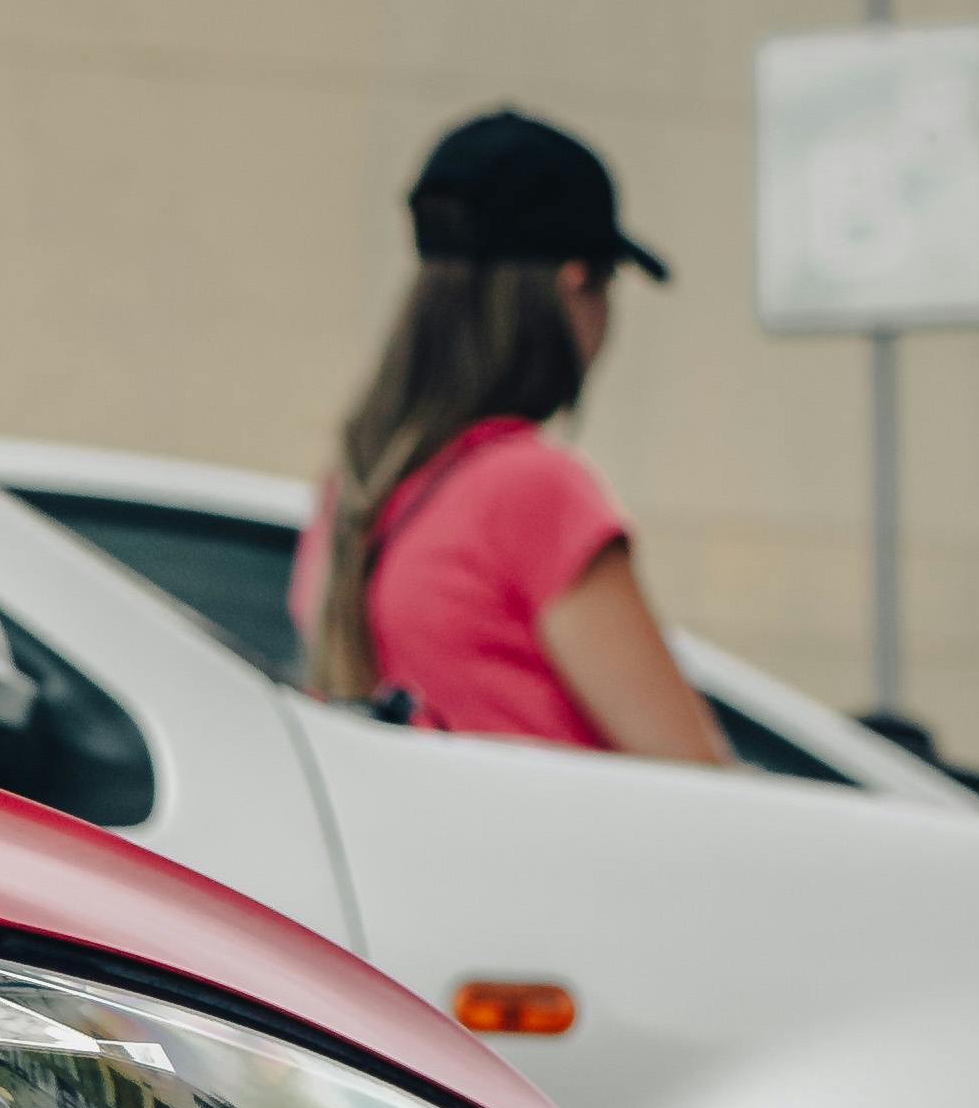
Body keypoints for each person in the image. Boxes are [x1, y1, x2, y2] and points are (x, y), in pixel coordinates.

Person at [297, 108, 727, 762]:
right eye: (609, 283)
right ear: (575, 280)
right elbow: (699, 775)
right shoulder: (532, 489)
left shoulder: (354, 490)